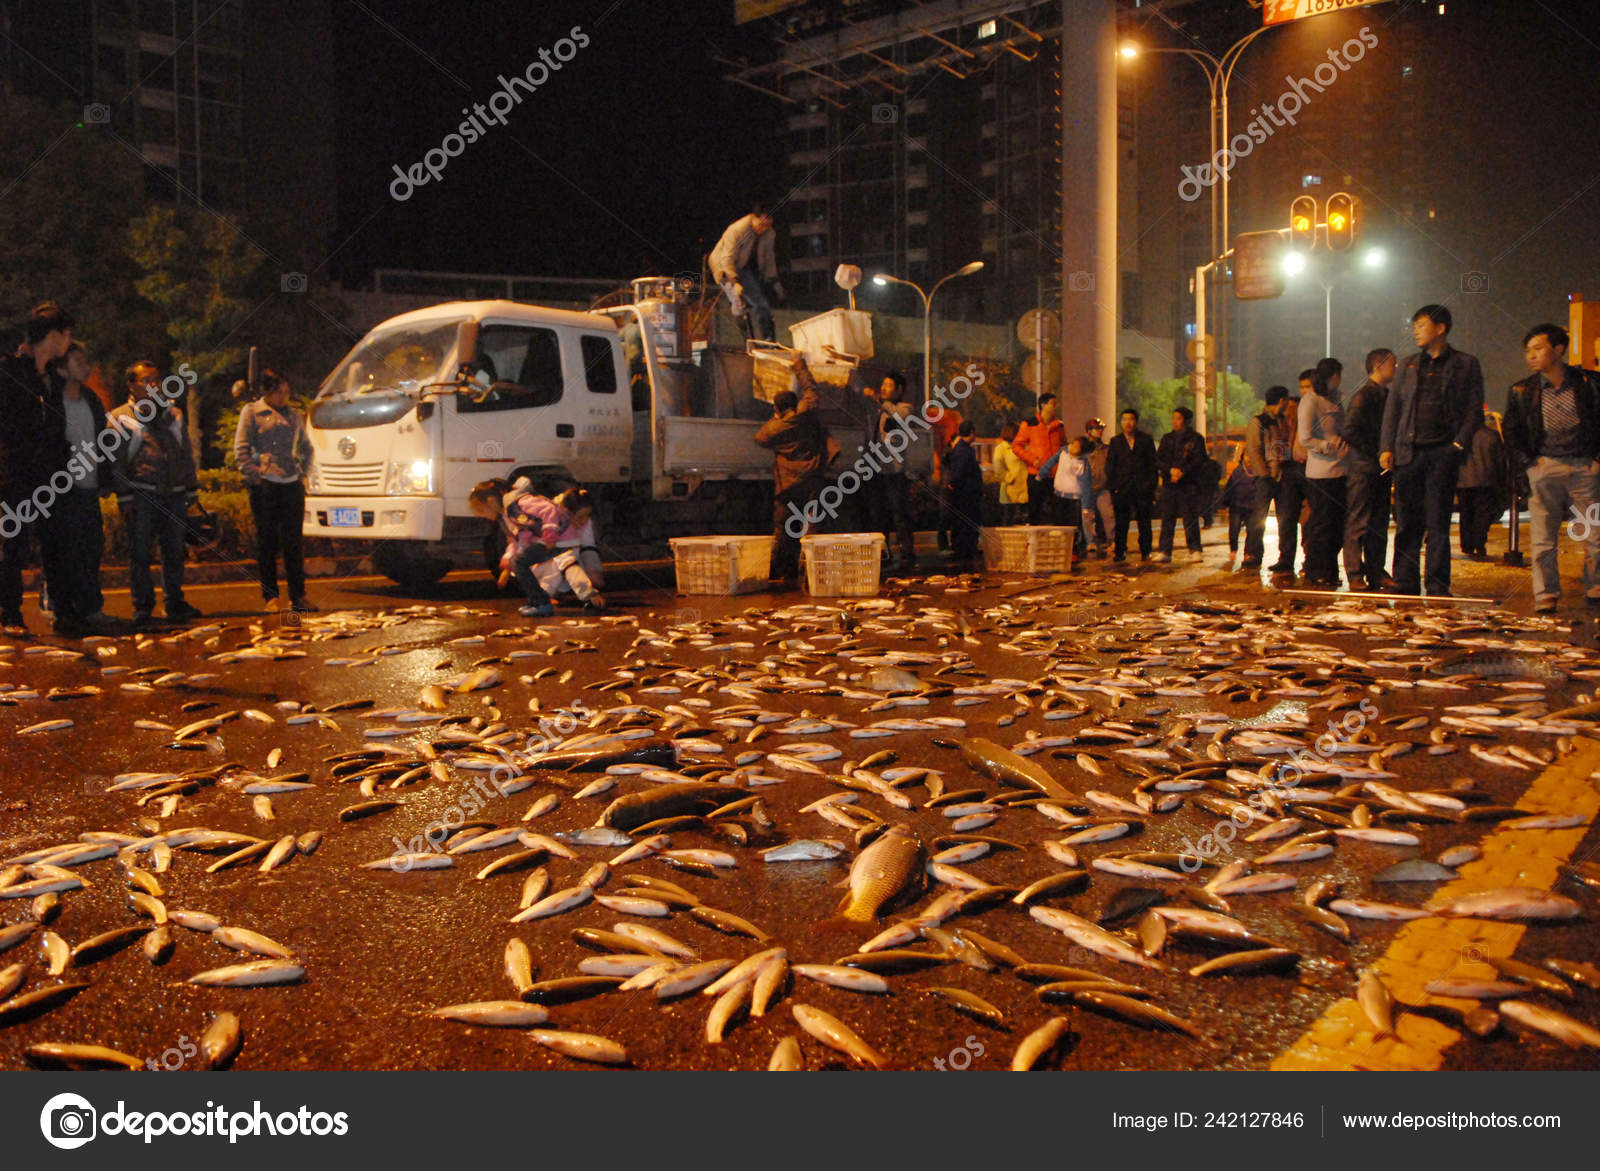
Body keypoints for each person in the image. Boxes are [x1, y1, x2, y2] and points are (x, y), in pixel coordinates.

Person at [1379, 304, 1486, 597]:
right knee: (1406, 522)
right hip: (1408, 453)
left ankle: (1438, 585)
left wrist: (1457, 445)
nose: (1415, 330)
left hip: (1442, 454)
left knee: (1438, 522)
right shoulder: (1409, 365)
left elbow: (1474, 410)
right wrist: (1386, 447)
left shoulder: (1465, 364)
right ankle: (1406, 581)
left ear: (1441, 328)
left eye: (1421, 325)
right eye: (1413, 325)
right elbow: (1394, 409)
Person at [1502, 322, 1600, 612]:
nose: (1530, 356)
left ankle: (1596, 586)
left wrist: (1597, 459)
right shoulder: (1521, 390)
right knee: (1543, 537)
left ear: (1558, 350)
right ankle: (1545, 595)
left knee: (1594, 533)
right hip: (1544, 467)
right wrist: (1530, 465)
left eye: (1537, 348)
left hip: (1584, 467)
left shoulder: (1589, 384)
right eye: (1527, 350)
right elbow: (1512, 432)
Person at [0, 302, 75, 637]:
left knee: (57, 543)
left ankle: (63, 611)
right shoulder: (10, 372)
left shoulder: (53, 380)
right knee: (13, 546)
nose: (69, 342)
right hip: (16, 476)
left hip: (51, 478)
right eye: (67, 334)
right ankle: (9, 613)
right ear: (54, 335)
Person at [108, 361, 202, 626]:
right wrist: (123, 495)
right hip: (142, 493)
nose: (153, 385)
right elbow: (116, 461)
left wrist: (191, 488)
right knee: (140, 552)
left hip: (174, 492)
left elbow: (185, 452)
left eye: (156, 379)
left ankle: (175, 602)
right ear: (131, 385)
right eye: (145, 380)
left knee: (174, 550)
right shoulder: (119, 417)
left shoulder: (172, 413)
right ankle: (143, 606)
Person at [234, 370, 315, 613]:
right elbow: (241, 449)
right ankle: (270, 596)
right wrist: (255, 475)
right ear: (267, 392)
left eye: (287, 392)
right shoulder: (251, 412)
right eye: (280, 392)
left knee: (293, 542)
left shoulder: (295, 415)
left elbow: (306, 447)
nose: (284, 397)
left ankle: (298, 596)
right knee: (267, 542)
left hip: (290, 482)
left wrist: (303, 473)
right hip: (265, 484)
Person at [51, 341, 115, 632]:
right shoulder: (52, 402)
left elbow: (102, 440)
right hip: (63, 488)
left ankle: (91, 608)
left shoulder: (91, 399)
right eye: (77, 362)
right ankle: (64, 610)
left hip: (90, 486)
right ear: (62, 369)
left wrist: (105, 477)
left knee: (92, 547)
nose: (85, 366)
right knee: (67, 549)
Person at [755, 355, 834, 587]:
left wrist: (776, 418)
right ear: (795, 403)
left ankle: (783, 572)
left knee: (783, 530)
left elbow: (760, 438)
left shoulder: (774, 428)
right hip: (811, 482)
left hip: (787, 486)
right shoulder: (806, 414)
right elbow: (811, 389)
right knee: (813, 528)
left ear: (777, 409)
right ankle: (810, 572)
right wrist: (799, 364)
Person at [469, 480, 602, 615]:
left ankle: (542, 603)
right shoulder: (510, 511)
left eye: (480, 510)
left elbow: (548, 510)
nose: (481, 514)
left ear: (491, 501)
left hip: (560, 540)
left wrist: (549, 533)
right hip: (557, 540)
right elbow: (524, 533)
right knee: (519, 562)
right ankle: (538, 601)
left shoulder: (520, 502)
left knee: (520, 562)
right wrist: (512, 560)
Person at [1343, 349, 1396, 591]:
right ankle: (1355, 574)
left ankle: (1376, 572)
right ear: (1378, 365)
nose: (1395, 369)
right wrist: (1377, 452)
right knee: (1359, 522)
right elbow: (1350, 431)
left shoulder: (1387, 395)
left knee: (1379, 523)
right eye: (1392, 364)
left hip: (1381, 470)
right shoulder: (1363, 397)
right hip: (1364, 469)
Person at [1299, 357, 1348, 588]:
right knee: (1321, 525)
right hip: (1321, 473)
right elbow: (1305, 438)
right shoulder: (1310, 401)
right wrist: (1330, 445)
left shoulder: (1337, 398)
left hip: (1341, 470)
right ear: (1333, 376)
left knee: (1337, 525)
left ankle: (1329, 569)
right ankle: (1315, 569)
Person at [864, 370, 916, 572]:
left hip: (894, 471)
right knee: (878, 515)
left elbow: (898, 419)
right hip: (876, 469)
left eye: (888, 385)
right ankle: (883, 555)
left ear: (900, 390)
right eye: (882, 385)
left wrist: (878, 399)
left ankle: (908, 555)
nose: (883, 388)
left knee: (899, 515)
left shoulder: (904, 409)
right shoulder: (880, 410)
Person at [709, 204, 782, 342]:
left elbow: (769, 259)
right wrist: (733, 282)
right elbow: (727, 257)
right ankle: (748, 340)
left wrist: (774, 281)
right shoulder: (737, 230)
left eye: (767, 225)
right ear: (754, 218)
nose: (763, 229)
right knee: (739, 304)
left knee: (762, 304)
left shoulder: (768, 233)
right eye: (761, 225)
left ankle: (769, 340)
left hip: (741, 267)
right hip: (723, 266)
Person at [1240, 386, 1291, 570]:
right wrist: (1264, 473)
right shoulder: (1259, 422)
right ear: (1280, 401)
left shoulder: (1283, 421)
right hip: (1266, 477)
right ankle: (1252, 554)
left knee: (1285, 519)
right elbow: (1254, 449)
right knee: (1258, 518)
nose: (1287, 404)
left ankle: (1285, 558)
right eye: (1285, 400)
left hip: (1283, 475)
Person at [1154, 406, 1206, 564]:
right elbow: (1159, 459)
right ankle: (1164, 551)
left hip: (1188, 484)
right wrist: (1170, 470)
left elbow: (1199, 461)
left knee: (1190, 518)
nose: (1174, 421)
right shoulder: (1167, 438)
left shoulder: (1196, 439)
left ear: (1186, 420)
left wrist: (1183, 472)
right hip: (1170, 484)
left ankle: (1195, 549)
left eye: (1178, 418)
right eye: (1173, 417)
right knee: (1167, 518)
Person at [1270, 377, 1310, 577]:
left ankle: (1308, 558)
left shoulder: (1312, 411)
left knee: (1307, 519)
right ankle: (1285, 559)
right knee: (1287, 518)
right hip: (1289, 469)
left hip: (1307, 468)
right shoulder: (1282, 418)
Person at [1105, 408, 1157, 562]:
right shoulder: (1116, 441)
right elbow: (1110, 466)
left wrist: (1150, 486)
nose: (1128, 423)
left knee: (1144, 522)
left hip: (1142, 488)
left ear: (1136, 422)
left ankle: (1146, 551)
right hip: (1122, 489)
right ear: (1121, 422)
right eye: (1124, 419)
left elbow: (1153, 465)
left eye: (1131, 419)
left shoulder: (1146, 440)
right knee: (1121, 523)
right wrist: (1114, 487)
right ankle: (1120, 551)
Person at [1456, 407, 1506, 560]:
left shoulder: (1461, 438)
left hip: (1463, 482)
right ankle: (1479, 543)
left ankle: (1467, 544)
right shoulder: (1492, 436)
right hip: (1486, 481)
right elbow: (1500, 461)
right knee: (1482, 514)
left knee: (1466, 514)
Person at [1013, 393, 1064, 524]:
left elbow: (1064, 446)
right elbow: (1016, 446)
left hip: (1056, 475)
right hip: (1037, 473)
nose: (1055, 407)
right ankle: (1034, 541)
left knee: (1058, 511)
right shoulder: (1029, 424)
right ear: (1043, 405)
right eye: (1053, 403)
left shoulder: (1059, 426)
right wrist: (1033, 460)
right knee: (1035, 510)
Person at [945, 420, 983, 562]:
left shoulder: (961, 448)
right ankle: (964, 552)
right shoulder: (964, 450)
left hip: (965, 494)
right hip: (966, 495)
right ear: (972, 432)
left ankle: (964, 550)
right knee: (966, 524)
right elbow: (958, 473)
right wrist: (954, 484)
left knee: (963, 524)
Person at [1051, 435, 1092, 557]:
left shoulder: (1082, 463)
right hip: (1060, 494)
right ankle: (1062, 549)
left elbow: (1085, 483)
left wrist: (1086, 504)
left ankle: (1075, 549)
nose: (1072, 447)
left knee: (1073, 523)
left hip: (1074, 496)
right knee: (1060, 522)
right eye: (1072, 444)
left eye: (1076, 446)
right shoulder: (1063, 454)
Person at [929, 402, 962, 551]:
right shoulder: (949, 448)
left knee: (949, 514)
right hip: (948, 482)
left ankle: (950, 543)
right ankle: (946, 543)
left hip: (948, 481)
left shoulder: (951, 445)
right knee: (947, 513)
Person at [1082, 418, 1114, 555]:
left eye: (1101, 429)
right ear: (1089, 431)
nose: (1100, 431)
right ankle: (1090, 542)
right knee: (1087, 516)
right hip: (1086, 488)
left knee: (1108, 514)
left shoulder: (1106, 449)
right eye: (1097, 429)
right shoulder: (1082, 449)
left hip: (1103, 487)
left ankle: (1112, 540)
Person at [991, 421, 1029, 526]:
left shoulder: (1024, 447)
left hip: (1024, 490)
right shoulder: (1001, 449)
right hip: (1009, 491)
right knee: (1009, 522)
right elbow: (998, 468)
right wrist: (1009, 478)